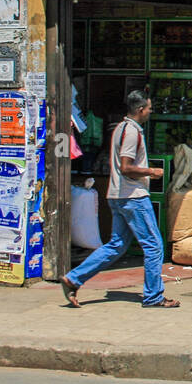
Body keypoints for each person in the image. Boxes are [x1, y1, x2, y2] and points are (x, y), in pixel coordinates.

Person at [61, 90, 177, 308]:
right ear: (141, 110)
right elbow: (126, 167)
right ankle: (154, 296)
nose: (151, 112)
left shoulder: (120, 128)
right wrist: (152, 171)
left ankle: (74, 278)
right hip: (132, 196)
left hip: (117, 195)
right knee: (153, 246)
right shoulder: (132, 132)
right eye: (149, 108)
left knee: (116, 245)